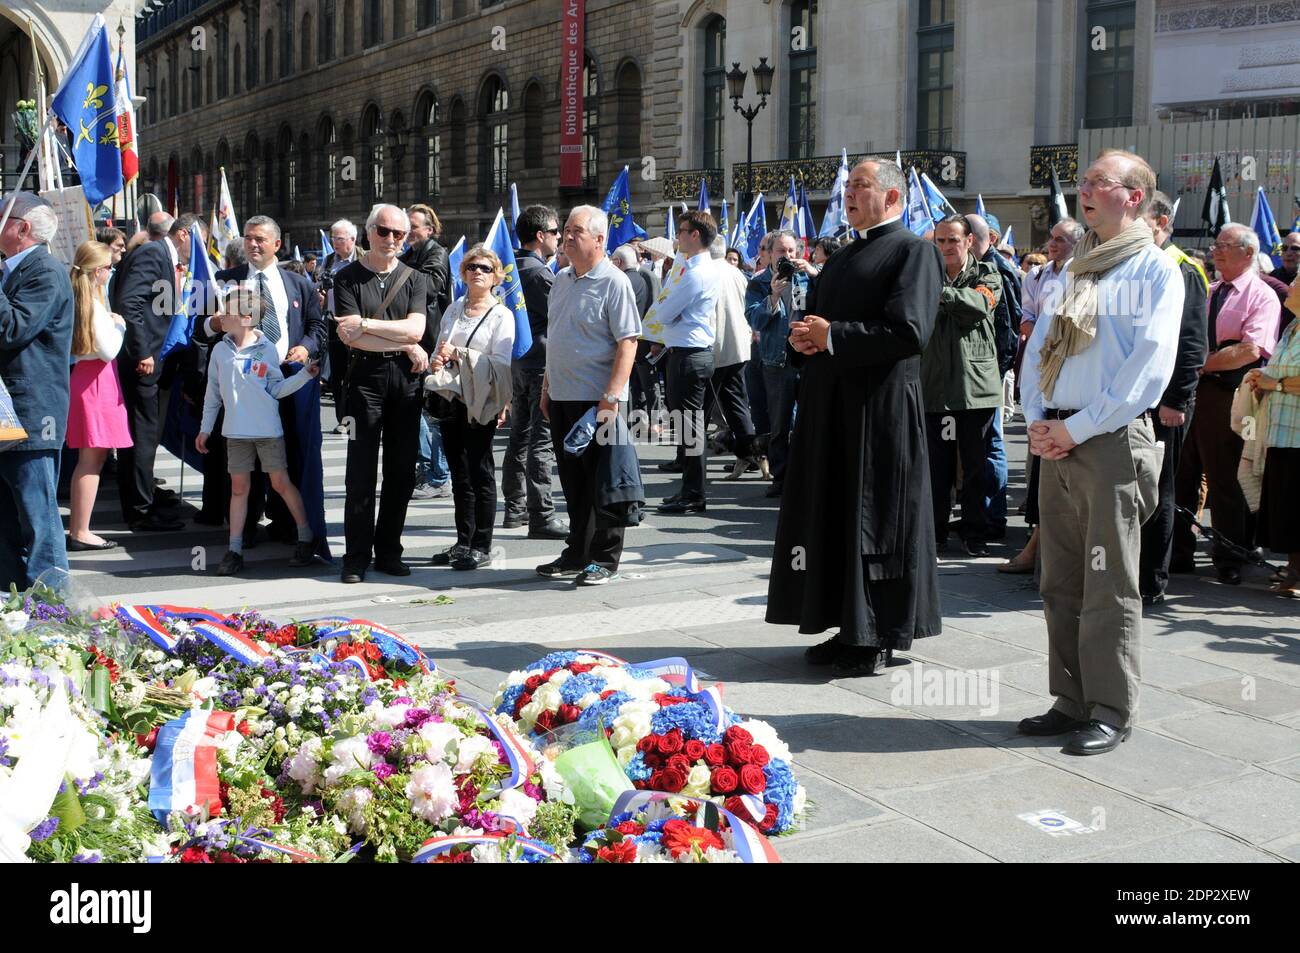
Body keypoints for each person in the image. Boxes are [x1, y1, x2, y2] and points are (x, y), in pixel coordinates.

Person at [1018, 148, 1183, 755]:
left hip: (1108, 440)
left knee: (1108, 581)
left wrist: (1077, 427)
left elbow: (1147, 371)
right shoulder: (1076, 267)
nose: (1084, 189)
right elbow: (1041, 345)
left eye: (1098, 182)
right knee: (1058, 577)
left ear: (1134, 196)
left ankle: (1111, 708)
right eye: (1084, 181)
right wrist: (1037, 417)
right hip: (1056, 438)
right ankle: (1070, 699)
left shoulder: (1156, 271)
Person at [767, 159, 944, 675]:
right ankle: (846, 626)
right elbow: (819, 321)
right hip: (831, 407)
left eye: (860, 186)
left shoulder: (914, 252)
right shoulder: (844, 254)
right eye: (847, 187)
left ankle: (876, 633)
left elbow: (909, 332)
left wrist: (833, 336)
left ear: (892, 198)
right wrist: (803, 338)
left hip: (879, 408)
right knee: (836, 512)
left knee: (875, 518)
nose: (848, 194)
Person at [195, 215, 328, 548]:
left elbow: (317, 327)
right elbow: (199, 329)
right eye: (248, 238)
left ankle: (285, 523)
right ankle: (247, 525)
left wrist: (305, 347)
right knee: (244, 456)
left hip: (287, 377)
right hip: (243, 385)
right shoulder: (225, 281)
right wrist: (216, 321)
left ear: (277, 245)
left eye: (260, 240)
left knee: (288, 454)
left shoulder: (299, 283)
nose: (252, 245)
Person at [538, 205, 641, 585]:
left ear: (599, 239)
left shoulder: (615, 282)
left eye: (576, 231)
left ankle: (605, 559)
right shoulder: (561, 278)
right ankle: (577, 551)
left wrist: (611, 398)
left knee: (607, 483)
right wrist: (547, 387)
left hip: (600, 401)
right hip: (564, 395)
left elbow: (629, 341)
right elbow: (557, 338)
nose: (566, 237)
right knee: (574, 482)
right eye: (565, 230)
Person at [1172, 224, 1280, 584]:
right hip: (1193, 391)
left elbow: (1249, 350)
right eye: (1215, 245)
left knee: (1226, 477)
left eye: (1225, 246)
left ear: (1249, 253)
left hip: (1230, 395)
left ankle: (1231, 555)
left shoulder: (1261, 295)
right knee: (1182, 471)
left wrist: (1200, 362)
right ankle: (1178, 551)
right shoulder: (1210, 290)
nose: (1216, 251)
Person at [332, 204, 429, 583]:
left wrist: (372, 325)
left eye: (399, 234)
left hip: (405, 381)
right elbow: (351, 336)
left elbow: (417, 330)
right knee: (360, 471)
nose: (391, 240)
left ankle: (389, 549)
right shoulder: (347, 278)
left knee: (401, 471)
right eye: (384, 231)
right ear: (369, 232)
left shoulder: (414, 278)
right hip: (363, 380)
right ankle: (355, 555)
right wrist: (400, 337)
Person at [198, 286, 319, 575]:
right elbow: (212, 394)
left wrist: (304, 375)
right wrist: (205, 429)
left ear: (245, 317)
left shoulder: (266, 349)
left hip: (267, 431)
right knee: (239, 489)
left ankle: (305, 536)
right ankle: (234, 549)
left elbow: (276, 389)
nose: (220, 316)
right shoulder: (219, 349)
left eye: (226, 312)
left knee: (280, 483)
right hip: (235, 433)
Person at [1000, 218, 1084, 573]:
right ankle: (1037, 549)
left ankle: (1045, 554)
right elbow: (1028, 318)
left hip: (1071, 383)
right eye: (1051, 238)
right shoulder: (1038, 277)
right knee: (1041, 471)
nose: (1053, 245)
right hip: (1043, 376)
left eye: (1061, 239)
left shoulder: (1084, 277)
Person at [0, 193, 74, 588]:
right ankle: (11, 598)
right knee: (5, 519)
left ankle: (53, 607)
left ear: (22, 228)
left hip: (31, 417)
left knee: (38, 515)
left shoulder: (44, 271)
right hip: (6, 412)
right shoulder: (11, 270)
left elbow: (12, 329)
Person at [1138, 191, 1208, 605]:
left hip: (1166, 403)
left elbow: (1193, 343)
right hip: (1139, 398)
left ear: (1161, 222)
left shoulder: (1184, 268)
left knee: (1160, 490)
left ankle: (1152, 581)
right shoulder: (1141, 265)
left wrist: (1177, 401)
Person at [426, 246, 515, 570]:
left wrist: (460, 354)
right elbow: (440, 347)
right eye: (472, 267)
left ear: (495, 277)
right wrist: (438, 359)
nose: (478, 272)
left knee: (480, 471)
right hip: (451, 398)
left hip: (482, 401)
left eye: (485, 268)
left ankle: (482, 544)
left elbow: (502, 365)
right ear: (463, 273)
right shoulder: (454, 309)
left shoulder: (501, 315)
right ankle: (463, 541)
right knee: (459, 472)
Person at [111, 213, 200, 532]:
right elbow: (129, 303)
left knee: (150, 433)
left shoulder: (167, 257)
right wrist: (142, 351)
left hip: (161, 361)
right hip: (145, 361)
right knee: (141, 434)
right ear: (186, 235)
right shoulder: (153, 252)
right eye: (200, 242)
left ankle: (145, 496)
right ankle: (139, 509)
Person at [924, 215, 1003, 557]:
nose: (945, 248)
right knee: (937, 469)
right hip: (936, 390)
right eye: (940, 242)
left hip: (975, 390)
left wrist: (940, 295)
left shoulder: (988, 274)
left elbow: (979, 305)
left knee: (975, 468)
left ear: (969, 241)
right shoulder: (927, 274)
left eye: (952, 241)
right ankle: (936, 530)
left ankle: (975, 532)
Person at [642, 211, 722, 515]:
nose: (678, 237)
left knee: (691, 430)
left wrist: (667, 308)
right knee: (690, 428)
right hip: (688, 353)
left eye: (682, 231)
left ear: (696, 236)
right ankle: (689, 491)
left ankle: (693, 494)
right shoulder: (693, 268)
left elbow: (663, 313)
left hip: (688, 355)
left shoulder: (697, 272)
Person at [501, 204, 567, 539]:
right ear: (540, 236)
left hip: (519, 363)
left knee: (519, 436)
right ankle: (541, 514)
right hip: (540, 364)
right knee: (540, 441)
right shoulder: (540, 273)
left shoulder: (513, 267)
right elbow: (561, 316)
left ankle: (514, 508)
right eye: (556, 232)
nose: (559, 237)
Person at [65, 241, 132, 552]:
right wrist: (119, 327)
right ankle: (81, 530)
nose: (111, 271)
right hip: (95, 379)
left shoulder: (85, 300)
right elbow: (109, 350)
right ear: (97, 272)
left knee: (92, 459)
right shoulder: (92, 305)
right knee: (91, 460)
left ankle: (81, 528)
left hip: (89, 378)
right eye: (108, 267)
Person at [745, 230, 812, 497]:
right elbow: (754, 320)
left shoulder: (808, 277)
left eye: (792, 252)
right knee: (780, 424)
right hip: (776, 359)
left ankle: (805, 475)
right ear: (770, 254)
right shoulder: (759, 283)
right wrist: (772, 297)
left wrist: (816, 274)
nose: (787, 257)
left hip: (807, 358)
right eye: (781, 252)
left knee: (807, 421)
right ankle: (781, 476)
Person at [967, 213, 1021, 542]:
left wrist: (998, 370)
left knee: (993, 444)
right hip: (983, 371)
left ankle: (994, 515)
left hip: (993, 371)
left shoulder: (998, 269)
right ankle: (982, 510)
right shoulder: (978, 267)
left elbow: (1009, 325)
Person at [1247, 276, 1300, 595]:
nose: (1289, 286)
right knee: (1288, 503)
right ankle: (1294, 569)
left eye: (1296, 282)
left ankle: (1296, 573)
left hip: (1297, 432)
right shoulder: (1293, 327)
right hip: (1281, 430)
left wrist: (1275, 385)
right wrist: (1262, 377)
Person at [400, 204, 454, 503]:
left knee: (430, 412)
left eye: (413, 226)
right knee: (416, 410)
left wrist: (399, 273)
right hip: (413, 343)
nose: (408, 232)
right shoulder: (408, 255)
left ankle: (439, 475)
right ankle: (428, 469)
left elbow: (429, 288)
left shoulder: (436, 254)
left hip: (431, 343)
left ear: (429, 230)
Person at [704, 234, 763, 481]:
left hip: (714, 349)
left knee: (697, 409)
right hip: (738, 347)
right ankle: (751, 452)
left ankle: (688, 462)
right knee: (736, 403)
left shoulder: (705, 272)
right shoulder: (736, 273)